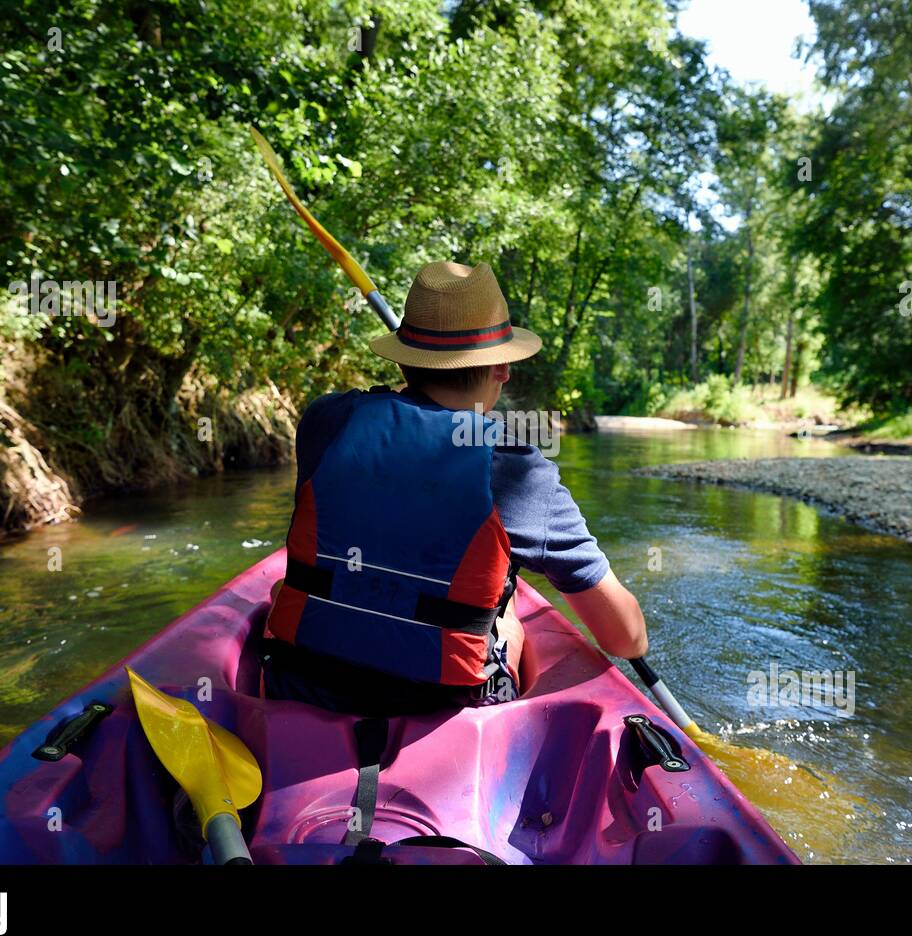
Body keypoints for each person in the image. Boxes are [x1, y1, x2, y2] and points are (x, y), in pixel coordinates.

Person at [261, 261, 647, 716]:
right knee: (510, 618)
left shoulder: (326, 421)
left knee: (283, 593)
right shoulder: (513, 469)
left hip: (303, 674)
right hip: (441, 702)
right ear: (502, 367)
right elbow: (625, 637)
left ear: (404, 359)